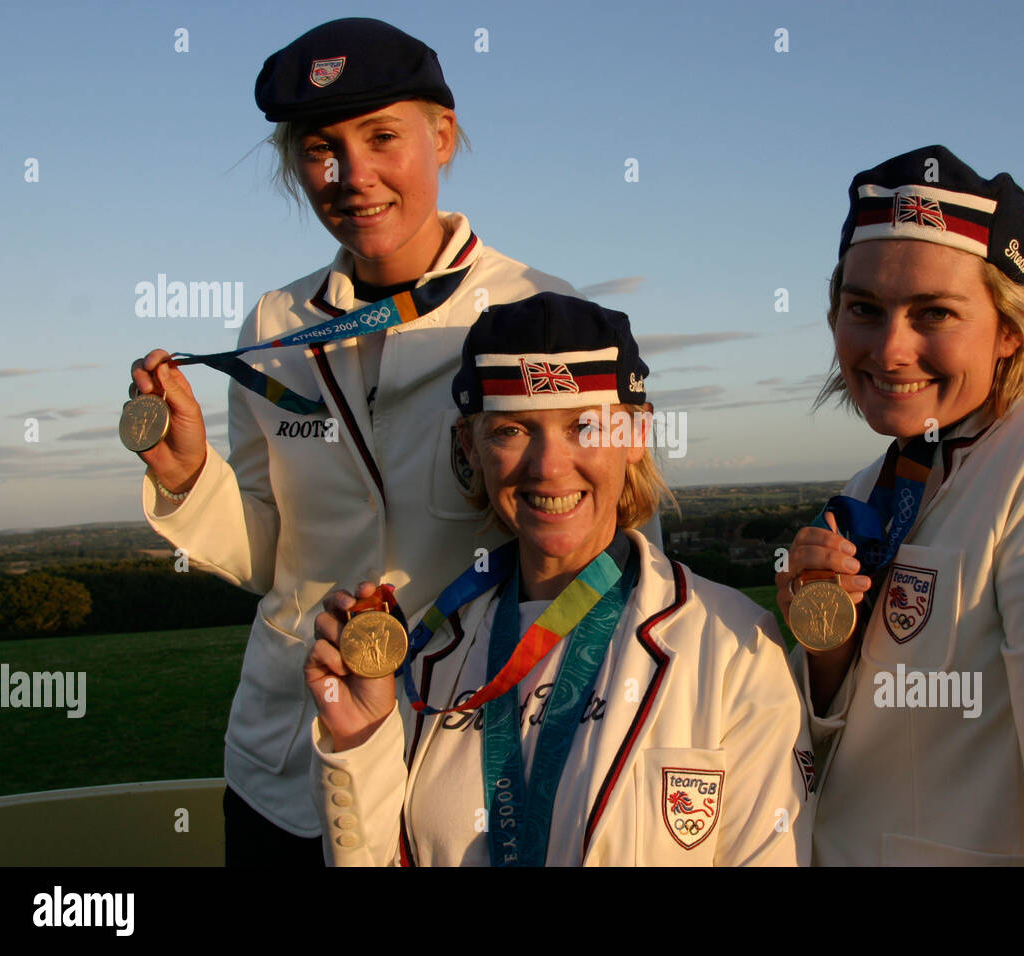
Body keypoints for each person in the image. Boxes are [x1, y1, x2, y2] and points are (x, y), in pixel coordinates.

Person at [125, 18, 589, 864]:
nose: (352, 176)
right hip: (287, 761)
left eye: (381, 137)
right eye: (320, 149)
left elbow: (607, 555)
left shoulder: (542, 314)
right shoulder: (274, 323)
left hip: (468, 760)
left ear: (441, 136)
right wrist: (189, 477)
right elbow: (269, 557)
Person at [306, 292, 813, 866]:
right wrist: (361, 738)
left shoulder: (733, 646)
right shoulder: (426, 653)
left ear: (636, 435)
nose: (548, 465)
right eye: (512, 430)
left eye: (584, 427)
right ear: (468, 446)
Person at [777, 145, 1024, 865]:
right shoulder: (877, 480)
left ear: (1011, 328)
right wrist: (830, 654)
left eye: (934, 312)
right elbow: (861, 751)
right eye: (864, 309)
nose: (890, 350)